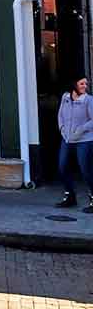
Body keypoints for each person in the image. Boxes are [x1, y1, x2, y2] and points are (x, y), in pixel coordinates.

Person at [56, 76, 93, 211]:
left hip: (84, 140)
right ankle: (70, 196)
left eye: (86, 84)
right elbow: (60, 115)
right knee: (62, 166)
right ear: (74, 84)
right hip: (67, 139)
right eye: (81, 83)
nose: (85, 86)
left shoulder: (88, 100)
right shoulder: (65, 97)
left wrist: (80, 130)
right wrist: (62, 128)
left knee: (86, 170)